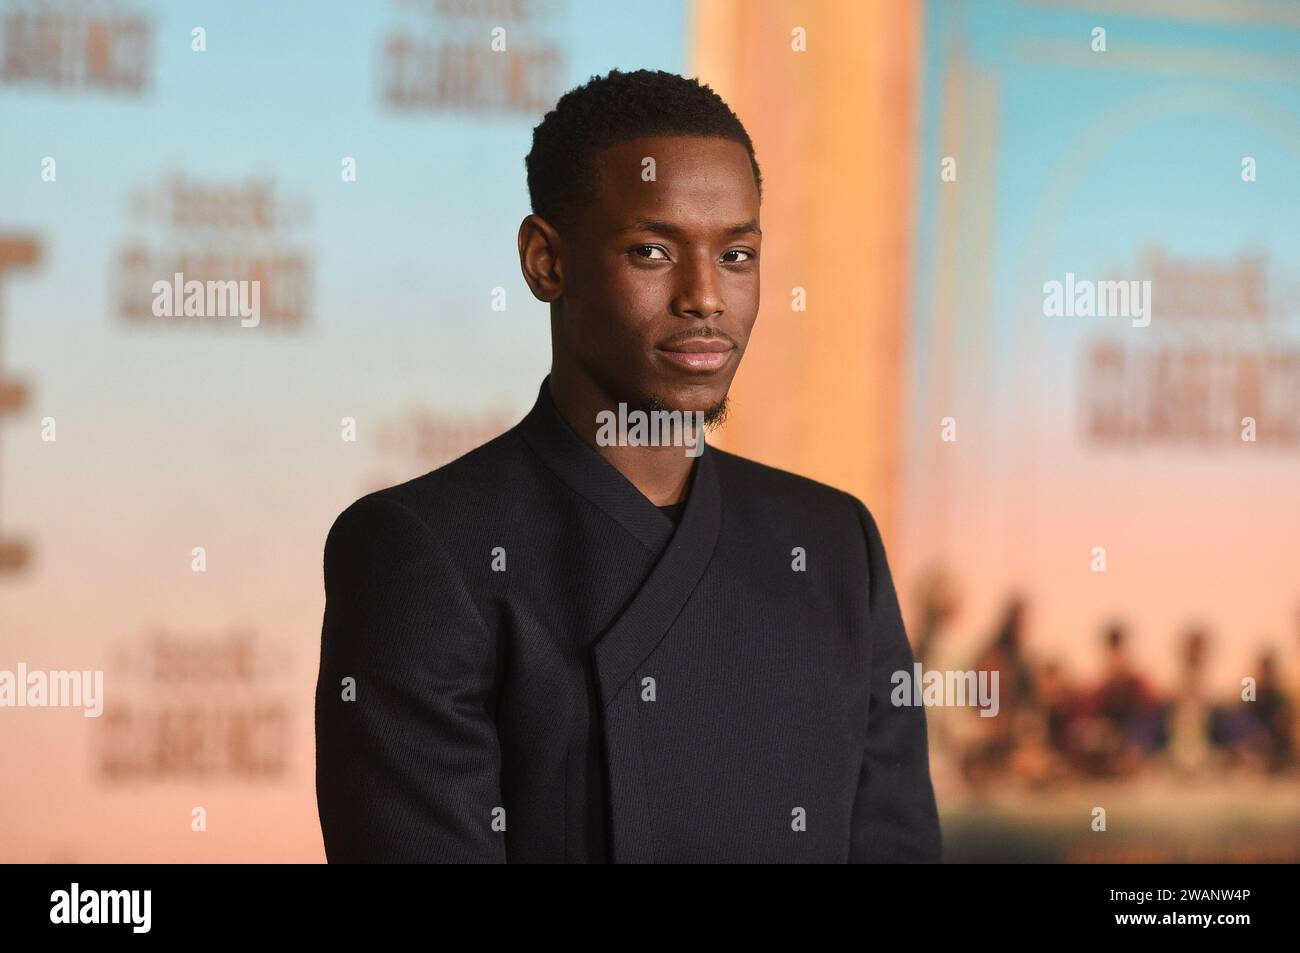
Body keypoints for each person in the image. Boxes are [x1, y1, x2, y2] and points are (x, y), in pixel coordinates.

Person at [314, 68, 941, 863]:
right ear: (546, 262)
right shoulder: (422, 551)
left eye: (738, 253)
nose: (706, 296)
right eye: (652, 249)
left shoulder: (832, 543)